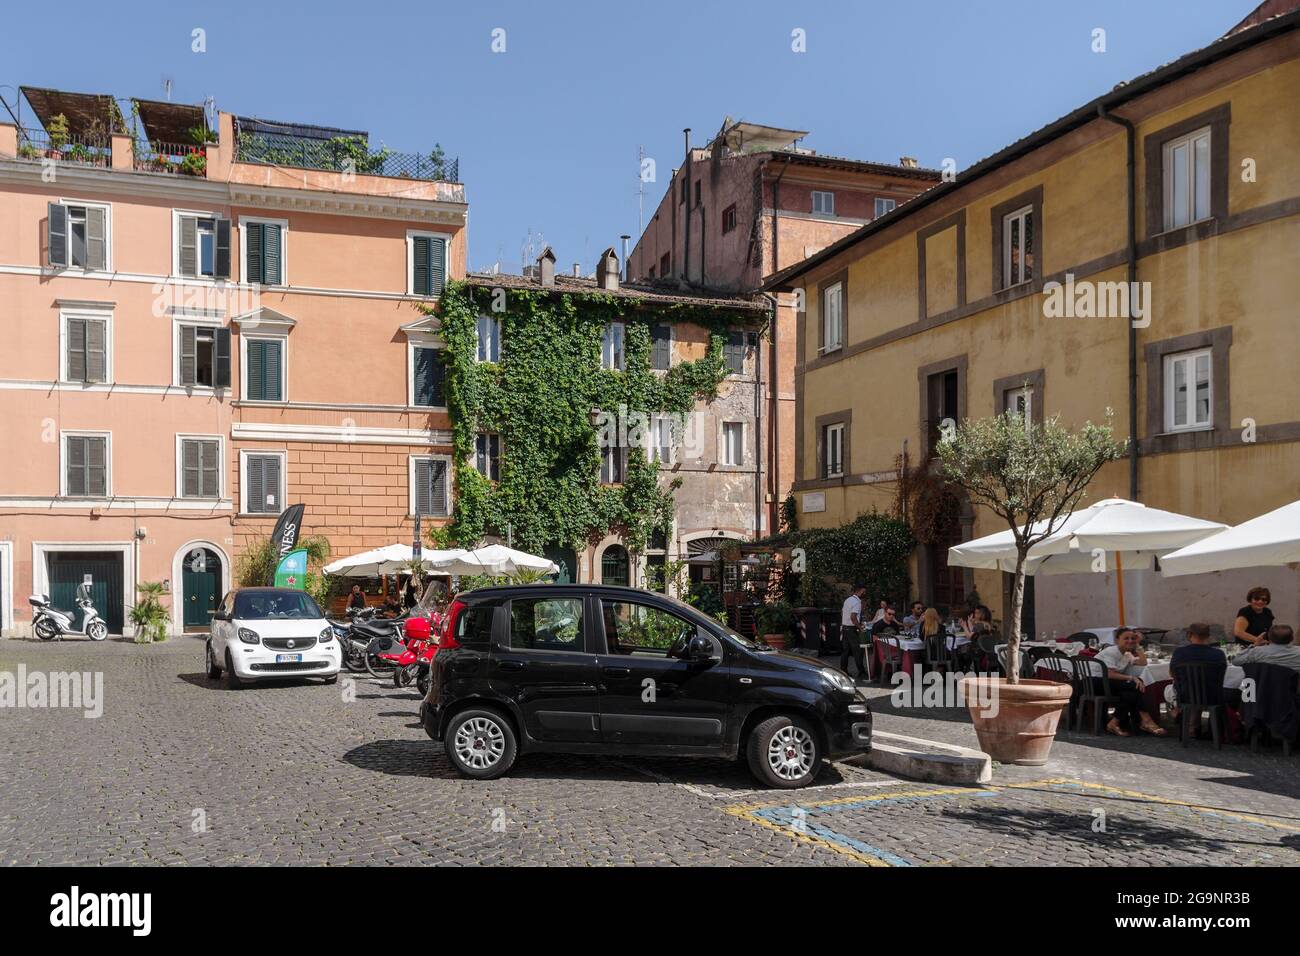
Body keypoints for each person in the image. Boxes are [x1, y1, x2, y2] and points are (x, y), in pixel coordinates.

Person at [1095, 627, 1166, 736]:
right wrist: (1131, 678)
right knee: (1134, 685)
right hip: (1093, 681)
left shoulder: (1127, 654)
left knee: (1130, 693)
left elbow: (1143, 663)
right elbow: (1109, 673)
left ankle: (1114, 723)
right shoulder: (1112, 651)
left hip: (1108, 682)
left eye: (1133, 638)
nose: (1130, 640)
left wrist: (1137, 645)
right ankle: (1146, 721)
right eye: (1126, 638)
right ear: (1117, 640)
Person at [1169, 622, 1228, 725]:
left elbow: (1172, 673)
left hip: (1186, 696)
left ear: (1189, 635)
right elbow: (1221, 675)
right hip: (1212, 697)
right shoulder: (1218, 654)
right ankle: (1196, 723)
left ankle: (1186, 718)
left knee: (1175, 688)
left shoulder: (1179, 652)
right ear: (1208, 636)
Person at [1235, 624, 1300, 676]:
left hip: (1263, 690)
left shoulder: (1257, 652)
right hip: (1292, 691)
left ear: (1269, 638)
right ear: (1292, 638)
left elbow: (1236, 661)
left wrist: (1254, 645)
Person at [839, 584, 868, 681]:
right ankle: (862, 672)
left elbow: (843, 613)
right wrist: (860, 627)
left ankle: (843, 671)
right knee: (858, 651)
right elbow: (853, 617)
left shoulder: (848, 600)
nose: (865, 593)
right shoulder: (856, 602)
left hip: (845, 627)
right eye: (864, 591)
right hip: (851, 629)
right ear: (860, 591)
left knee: (845, 651)